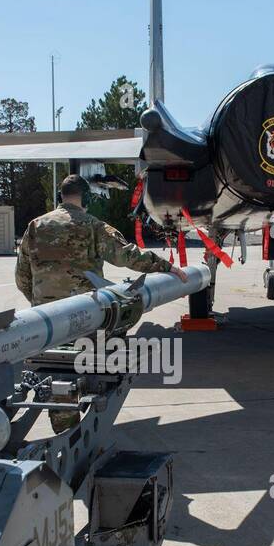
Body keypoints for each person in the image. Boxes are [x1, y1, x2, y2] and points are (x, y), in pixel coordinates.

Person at [15, 173, 184, 432]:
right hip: (85, 318)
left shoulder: (36, 226)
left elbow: (22, 276)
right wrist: (166, 266)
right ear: (84, 197)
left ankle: (64, 429)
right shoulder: (92, 225)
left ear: (61, 196)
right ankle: (87, 425)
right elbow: (127, 255)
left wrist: (40, 303)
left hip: (46, 320)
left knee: (55, 374)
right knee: (95, 369)